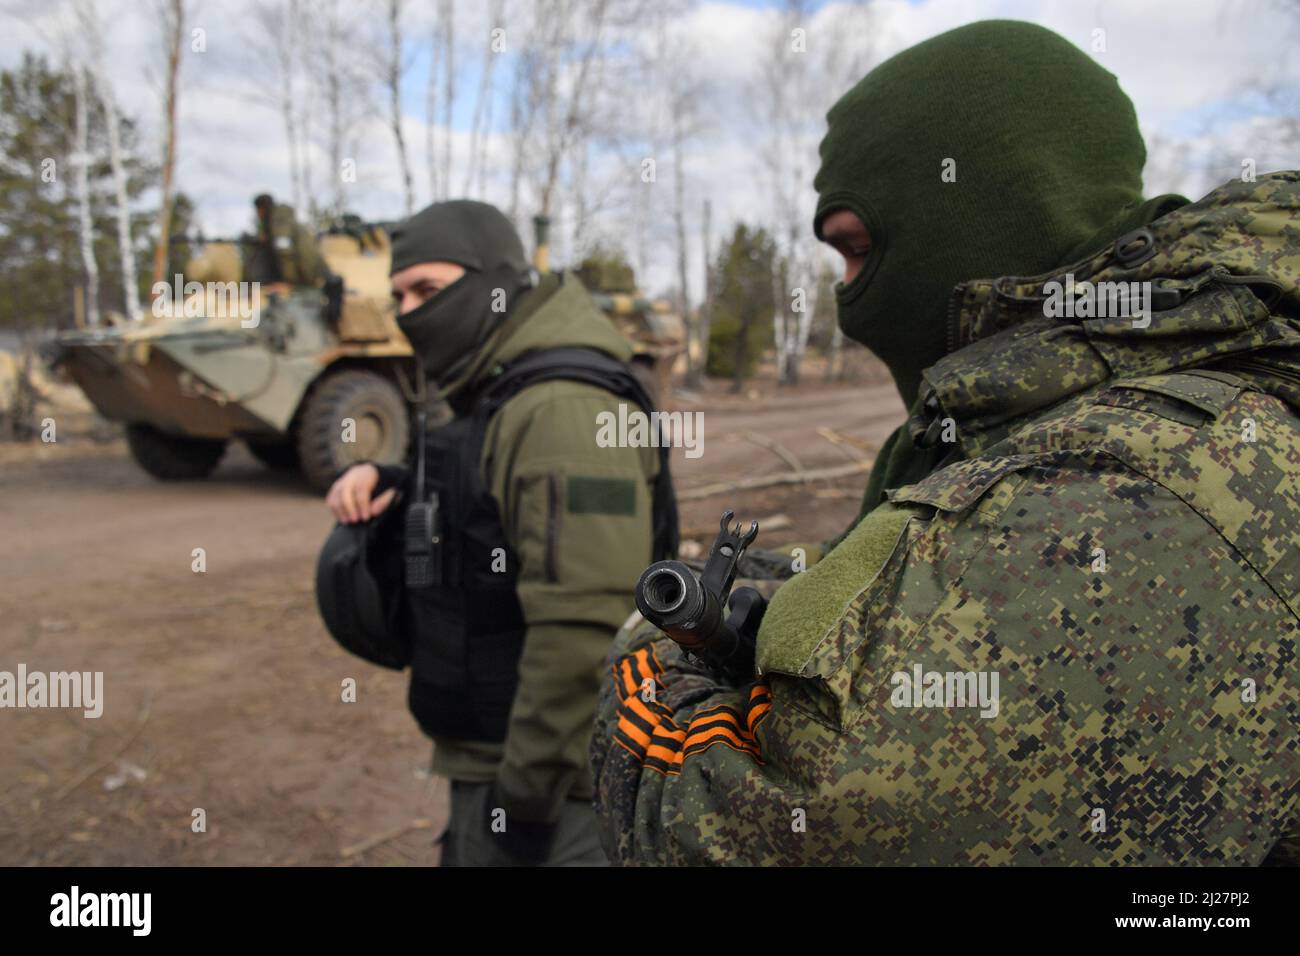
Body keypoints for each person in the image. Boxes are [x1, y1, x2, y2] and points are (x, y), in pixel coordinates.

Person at [590, 20, 1300, 865]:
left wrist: (644, 651)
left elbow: (763, 830)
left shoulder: (1128, 490)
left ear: (987, 210)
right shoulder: (1062, 415)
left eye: (858, 250)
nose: (848, 295)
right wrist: (792, 594)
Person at [326, 200, 676, 866]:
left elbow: (583, 627)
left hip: (561, 790)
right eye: (399, 293)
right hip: (499, 758)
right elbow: (500, 515)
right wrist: (402, 487)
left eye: (428, 289)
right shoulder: (504, 389)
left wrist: (523, 804)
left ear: (496, 282)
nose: (409, 310)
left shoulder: (562, 409)